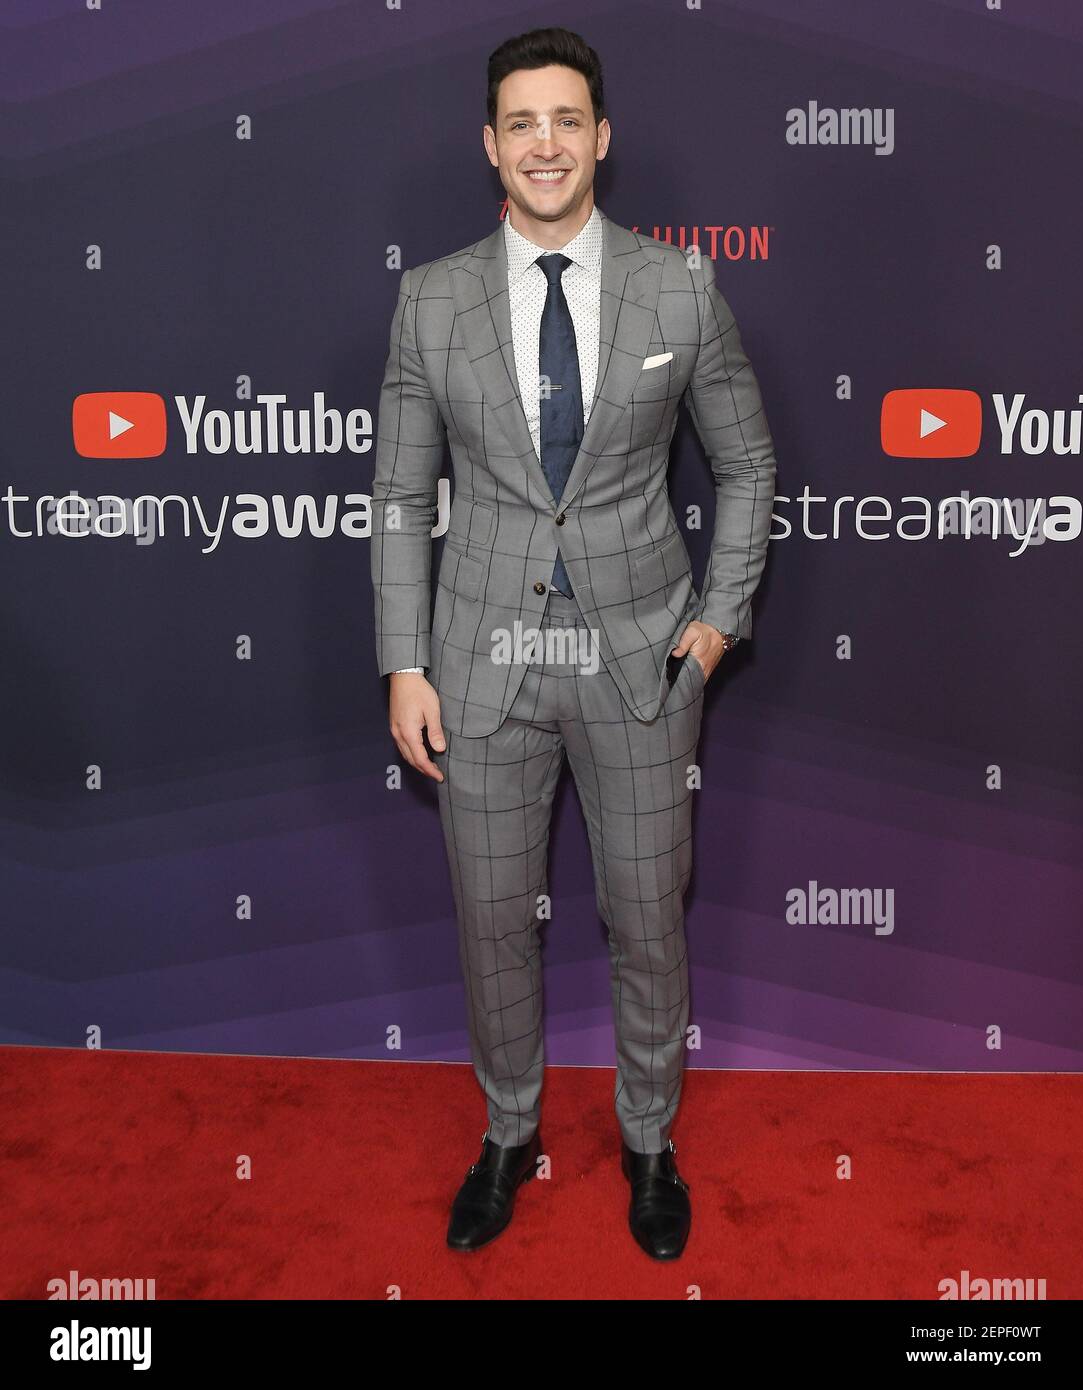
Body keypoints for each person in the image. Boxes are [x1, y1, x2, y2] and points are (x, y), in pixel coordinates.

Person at [369, 26, 776, 1260]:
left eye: (566, 120)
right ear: (490, 145)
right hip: (480, 665)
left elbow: (749, 466)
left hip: (640, 663)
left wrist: (712, 628)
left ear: (600, 137)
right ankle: (507, 1133)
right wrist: (403, 660)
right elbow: (398, 498)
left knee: (647, 916)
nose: (545, 143)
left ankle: (647, 1139)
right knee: (493, 916)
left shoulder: (677, 287)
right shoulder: (430, 298)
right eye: (521, 122)